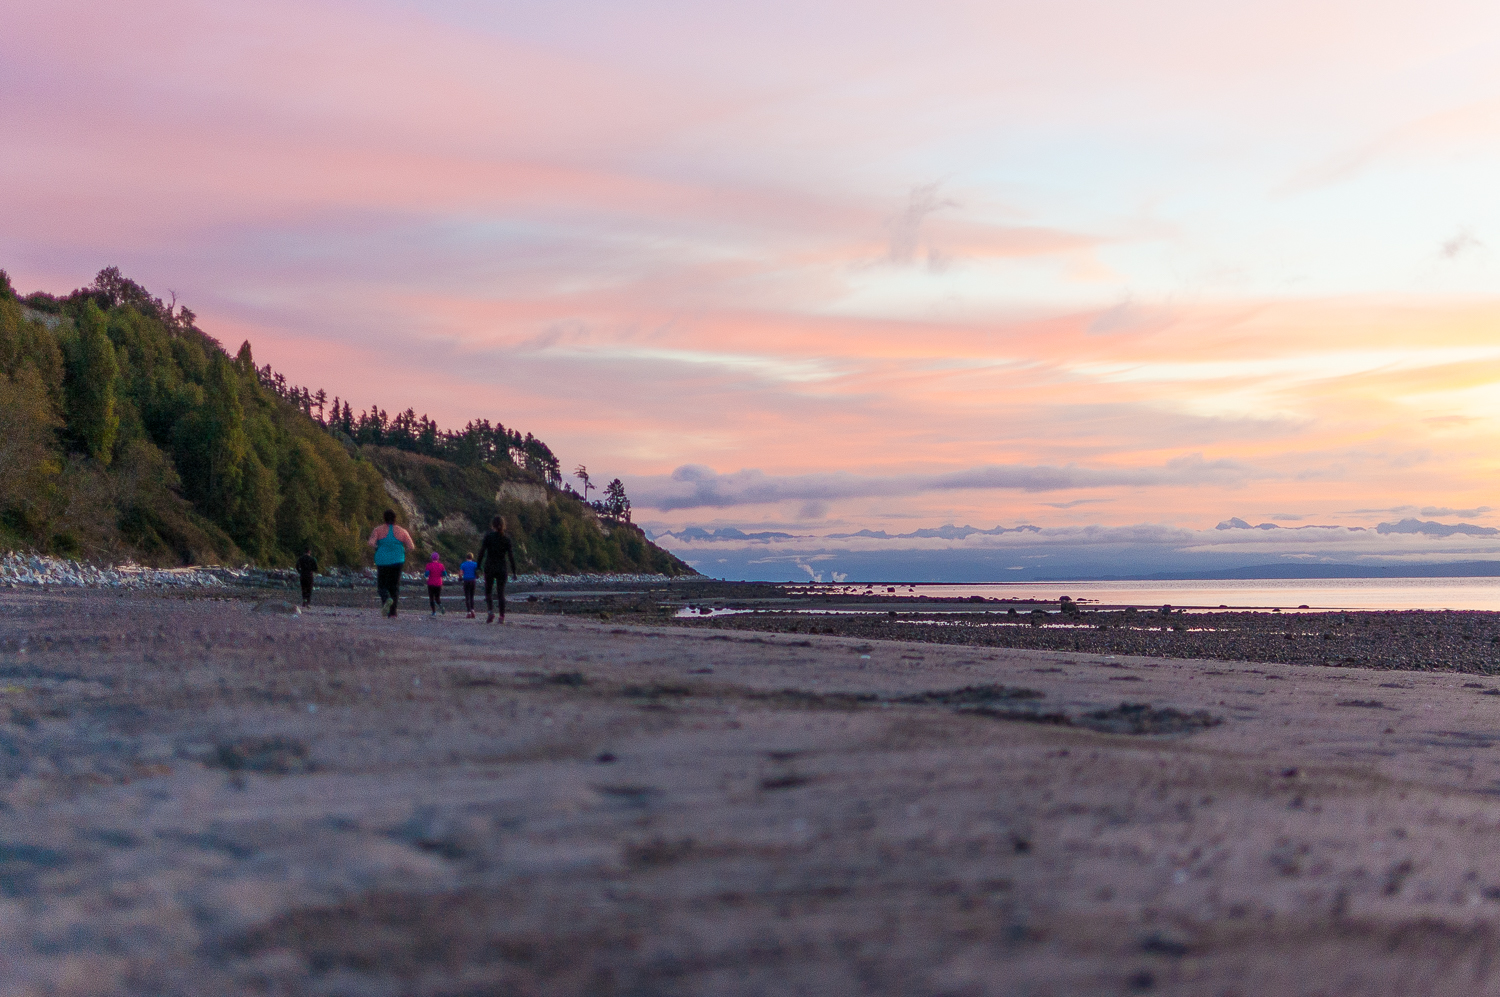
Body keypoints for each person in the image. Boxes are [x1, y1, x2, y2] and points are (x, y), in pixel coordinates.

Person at [367, 510, 415, 618]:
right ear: (395, 518)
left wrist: (377, 548)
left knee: (382, 585)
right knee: (394, 586)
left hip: (382, 560)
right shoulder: (402, 531)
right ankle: (393, 613)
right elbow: (411, 546)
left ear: (384, 518)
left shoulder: (378, 530)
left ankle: (386, 599)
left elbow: (371, 543)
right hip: (398, 560)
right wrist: (403, 552)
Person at [475, 516, 518, 624]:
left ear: (493, 525)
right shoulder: (506, 539)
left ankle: (490, 611)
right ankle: (502, 617)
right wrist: (514, 572)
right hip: (501, 567)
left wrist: (478, 566)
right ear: (503, 525)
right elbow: (511, 557)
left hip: (490, 567)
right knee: (501, 593)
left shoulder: (488, 537)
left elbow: (482, 552)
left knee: (488, 591)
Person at [426, 551, 446, 616]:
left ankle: (434, 612)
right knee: (437, 597)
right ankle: (440, 605)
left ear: (432, 558)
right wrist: (440, 575)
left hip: (431, 583)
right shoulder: (441, 565)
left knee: (431, 598)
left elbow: (426, 574)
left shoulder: (429, 565)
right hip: (439, 583)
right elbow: (444, 574)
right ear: (438, 558)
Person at [459, 552, 478, 618]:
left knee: (467, 596)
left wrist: (460, 578)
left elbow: (461, 573)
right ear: (472, 557)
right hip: (473, 580)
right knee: (472, 596)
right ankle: (472, 610)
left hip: (466, 581)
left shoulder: (463, 564)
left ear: (466, 557)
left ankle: (469, 612)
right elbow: (477, 572)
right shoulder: (475, 564)